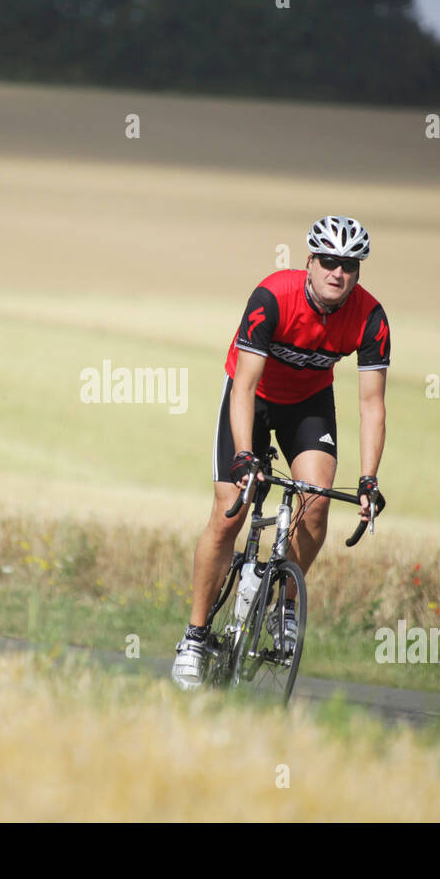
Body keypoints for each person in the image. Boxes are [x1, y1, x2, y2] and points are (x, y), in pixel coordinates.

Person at [172, 215, 389, 689]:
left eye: (349, 265)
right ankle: (194, 635)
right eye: (328, 261)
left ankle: (283, 602)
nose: (338, 273)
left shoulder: (371, 319)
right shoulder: (272, 297)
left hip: (308, 404)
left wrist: (370, 478)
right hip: (254, 397)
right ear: (309, 261)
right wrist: (246, 456)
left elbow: (372, 404)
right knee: (230, 511)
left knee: (317, 503)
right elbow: (245, 385)